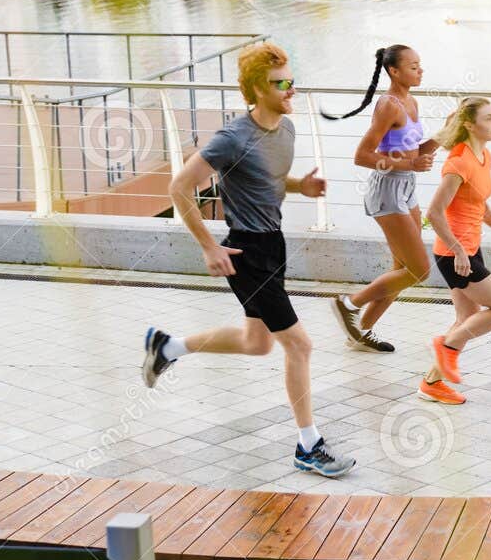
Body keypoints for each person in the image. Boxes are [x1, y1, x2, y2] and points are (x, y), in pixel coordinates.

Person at [141, 41, 355, 477]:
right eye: (281, 85)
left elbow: (271, 181)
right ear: (257, 90)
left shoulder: (287, 130)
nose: (291, 90)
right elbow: (179, 187)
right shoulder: (232, 138)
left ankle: (168, 346)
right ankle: (308, 446)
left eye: (292, 82)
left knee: (257, 343)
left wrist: (301, 188)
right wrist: (208, 245)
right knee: (300, 344)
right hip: (247, 251)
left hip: (273, 245)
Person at [329, 45, 437, 352]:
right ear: (394, 71)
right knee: (419, 270)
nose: (420, 70)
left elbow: (418, 152)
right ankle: (348, 304)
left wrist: (450, 131)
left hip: (407, 187)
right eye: (414, 66)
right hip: (386, 189)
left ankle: (361, 332)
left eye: (420, 65)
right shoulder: (388, 105)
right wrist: (409, 165)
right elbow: (362, 156)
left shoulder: (411, 101)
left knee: (401, 271)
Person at [420, 96, 491, 405]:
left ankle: (431, 384)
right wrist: (460, 252)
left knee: (466, 318)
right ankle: (446, 347)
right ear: (469, 124)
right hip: (455, 255)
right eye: (489, 118)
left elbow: (478, 203)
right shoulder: (459, 162)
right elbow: (434, 213)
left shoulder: (483, 156)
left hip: (468, 249)